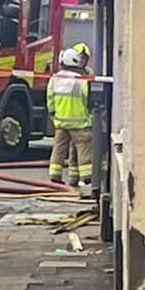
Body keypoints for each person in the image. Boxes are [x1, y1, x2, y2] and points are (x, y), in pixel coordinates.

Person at [47, 48, 93, 186]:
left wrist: (54, 114)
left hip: (60, 122)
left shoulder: (55, 78)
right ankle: (87, 178)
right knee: (83, 148)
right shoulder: (81, 80)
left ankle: (55, 175)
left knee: (59, 149)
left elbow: (50, 98)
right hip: (79, 124)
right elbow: (88, 99)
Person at [67, 43, 93, 186]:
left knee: (82, 148)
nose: (82, 60)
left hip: (83, 117)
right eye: (80, 57)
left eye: (84, 58)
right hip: (76, 118)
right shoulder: (72, 74)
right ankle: (76, 178)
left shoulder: (88, 73)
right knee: (76, 149)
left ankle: (84, 178)